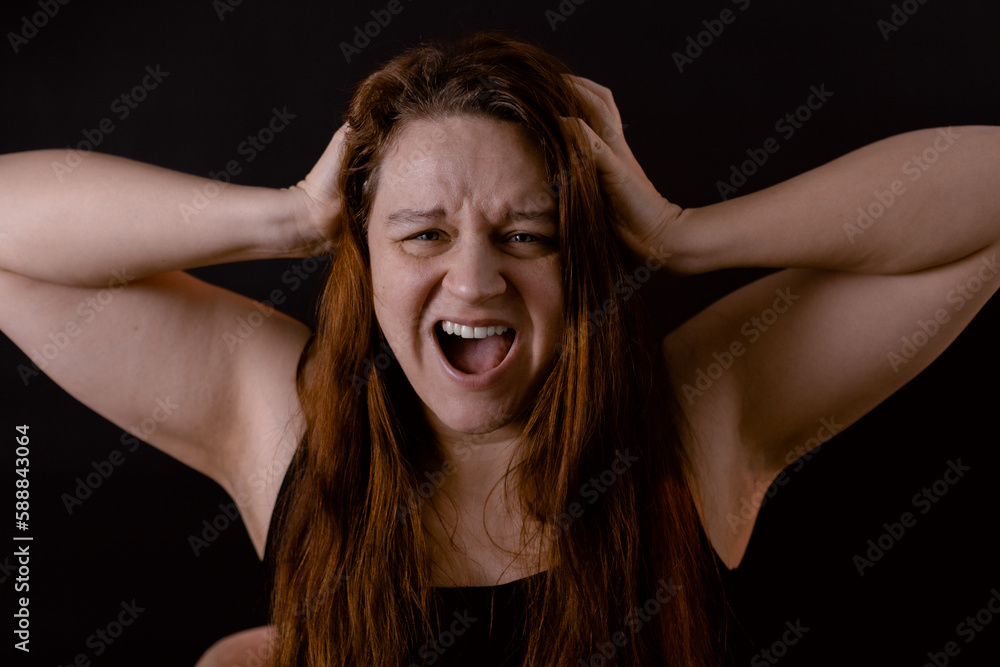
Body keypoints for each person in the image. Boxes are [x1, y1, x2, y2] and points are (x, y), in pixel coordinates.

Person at [1, 32, 998, 665]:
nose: (474, 282)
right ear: (365, 258)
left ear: (584, 258)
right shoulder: (281, 411)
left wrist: (687, 232)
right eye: (423, 234)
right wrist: (289, 215)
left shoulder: (694, 416)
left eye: (527, 236)